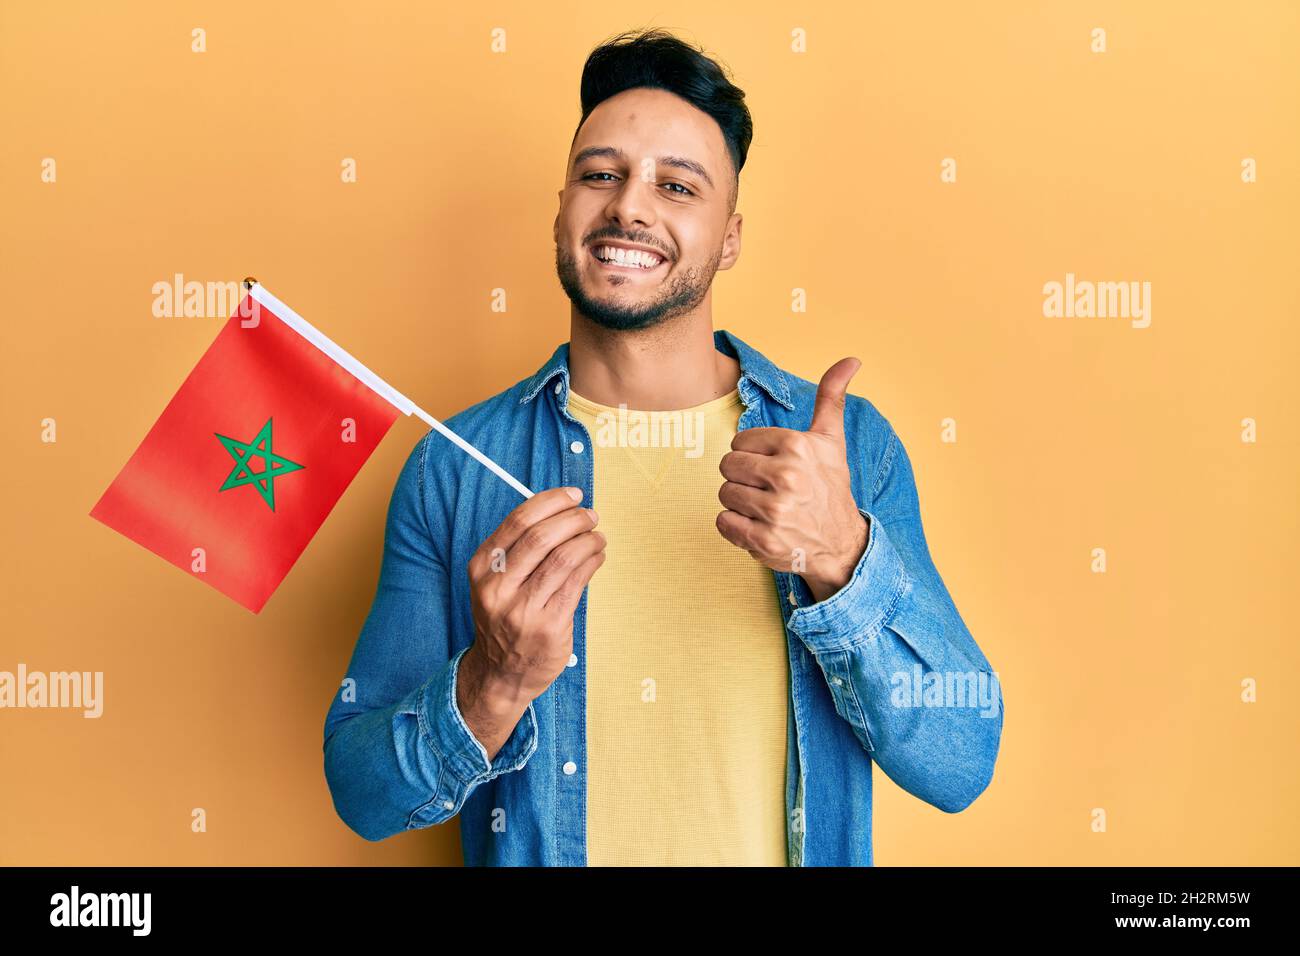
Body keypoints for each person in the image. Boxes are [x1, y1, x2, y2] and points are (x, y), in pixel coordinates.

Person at [323, 28, 1003, 866]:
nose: (629, 207)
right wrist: (490, 683)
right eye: (600, 174)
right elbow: (361, 794)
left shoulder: (846, 454)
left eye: (677, 185)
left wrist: (844, 558)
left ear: (729, 238)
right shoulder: (455, 466)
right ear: (563, 207)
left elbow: (962, 762)